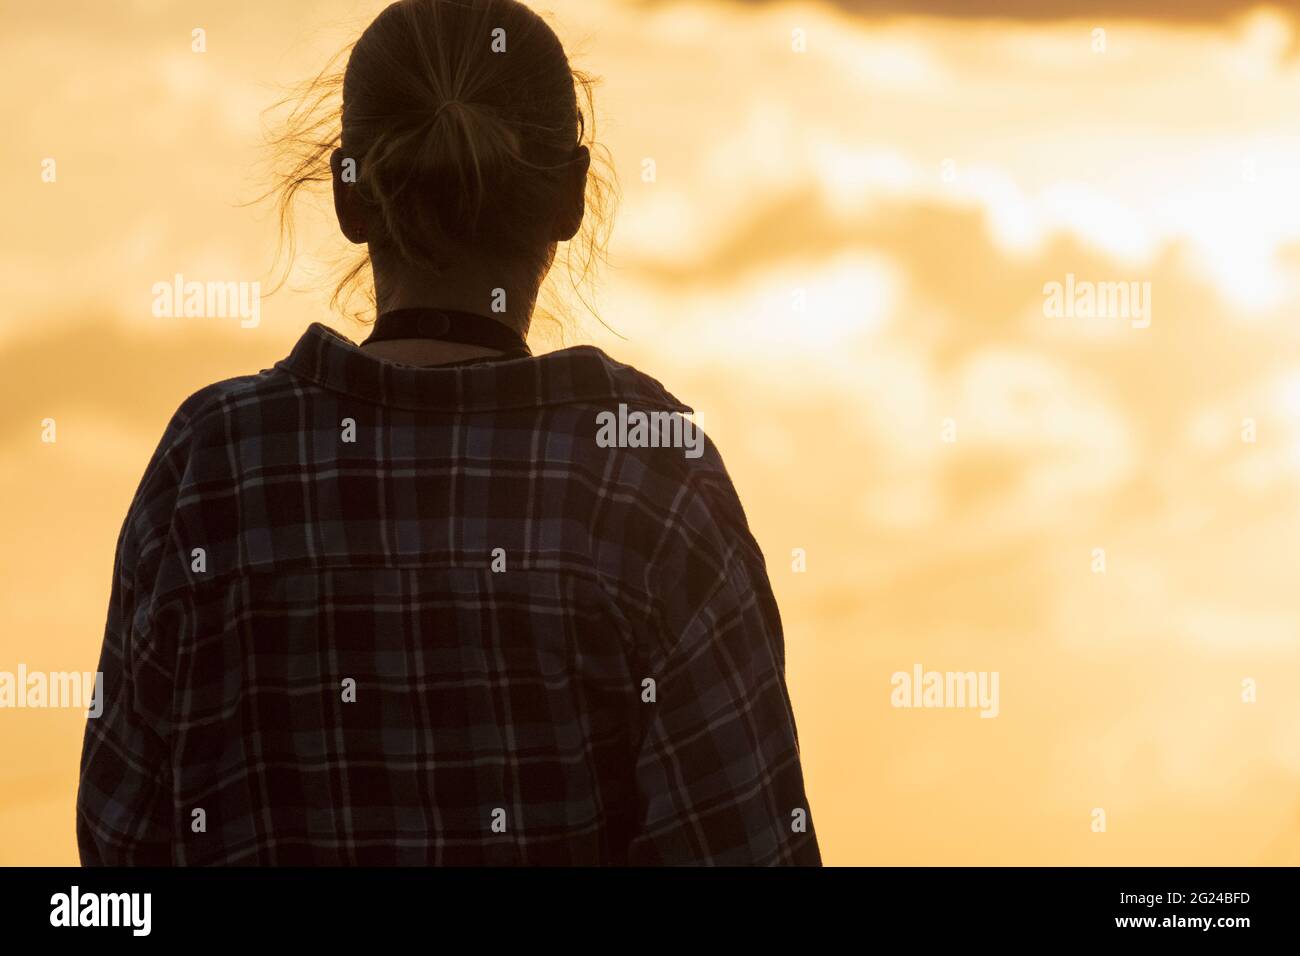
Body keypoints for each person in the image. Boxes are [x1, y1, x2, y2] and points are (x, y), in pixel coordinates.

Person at [77, 0, 819, 866]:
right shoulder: (646, 474)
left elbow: (118, 849)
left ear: (348, 194)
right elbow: (746, 844)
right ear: (571, 196)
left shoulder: (213, 470)